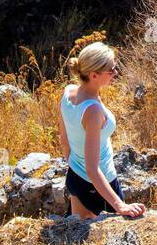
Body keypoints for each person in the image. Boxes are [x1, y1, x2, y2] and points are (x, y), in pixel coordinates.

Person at [57, 41, 145, 220]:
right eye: (111, 70)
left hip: (75, 178)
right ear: (94, 75)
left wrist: (76, 167)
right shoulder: (92, 111)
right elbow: (92, 169)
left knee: (78, 238)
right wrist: (120, 205)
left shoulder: (68, 93)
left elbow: (64, 141)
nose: (116, 72)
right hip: (99, 184)